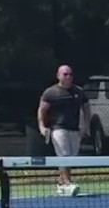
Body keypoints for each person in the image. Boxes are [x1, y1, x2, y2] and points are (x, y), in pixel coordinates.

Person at [37, 64, 90, 196]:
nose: (68, 77)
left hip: (74, 129)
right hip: (58, 129)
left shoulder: (79, 91)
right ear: (58, 76)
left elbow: (87, 108)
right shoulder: (50, 92)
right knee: (64, 156)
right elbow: (42, 110)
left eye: (70, 74)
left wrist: (85, 126)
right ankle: (67, 183)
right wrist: (42, 127)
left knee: (71, 158)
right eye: (65, 74)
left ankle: (61, 184)